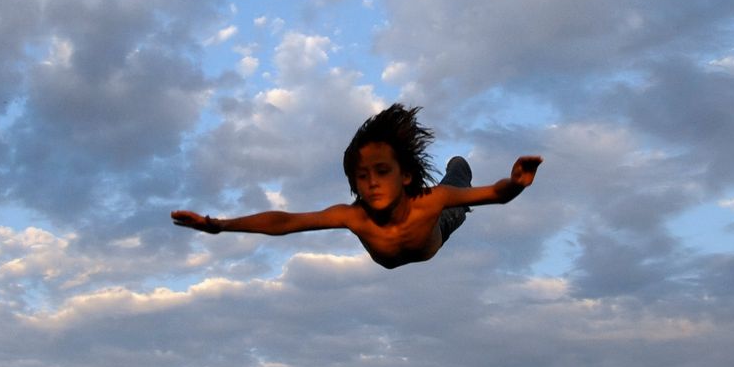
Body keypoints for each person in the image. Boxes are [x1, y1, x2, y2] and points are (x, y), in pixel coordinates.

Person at [172, 104, 542, 269]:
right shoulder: (353, 217)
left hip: (439, 228)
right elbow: (284, 222)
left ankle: (458, 163)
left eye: (382, 171)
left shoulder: (431, 201)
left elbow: (495, 195)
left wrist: (515, 183)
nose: (372, 184)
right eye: (363, 176)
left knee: (457, 184)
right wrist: (217, 224)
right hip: (409, 244)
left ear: (406, 176)